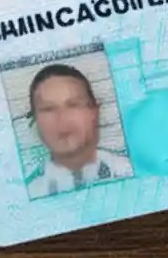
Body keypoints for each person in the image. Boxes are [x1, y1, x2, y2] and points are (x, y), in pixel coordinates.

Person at [24, 63, 133, 198]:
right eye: (48, 109)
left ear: (95, 111)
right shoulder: (29, 192)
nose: (62, 118)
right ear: (35, 120)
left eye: (73, 105)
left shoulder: (129, 171)